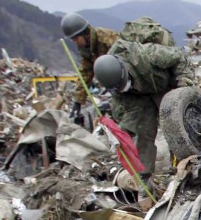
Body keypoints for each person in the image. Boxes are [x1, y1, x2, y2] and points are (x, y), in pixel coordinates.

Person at [93, 40, 194, 176]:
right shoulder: (117, 88)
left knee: (176, 124)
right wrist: (123, 133)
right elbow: (126, 114)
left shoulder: (148, 55)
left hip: (165, 85)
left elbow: (180, 56)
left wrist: (184, 83)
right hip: (139, 96)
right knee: (143, 131)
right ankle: (144, 175)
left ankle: (187, 163)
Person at [61, 13, 119, 125]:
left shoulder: (108, 39)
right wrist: (78, 101)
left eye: (76, 38)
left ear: (85, 34)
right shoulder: (87, 49)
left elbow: (127, 61)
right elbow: (86, 73)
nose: (75, 42)